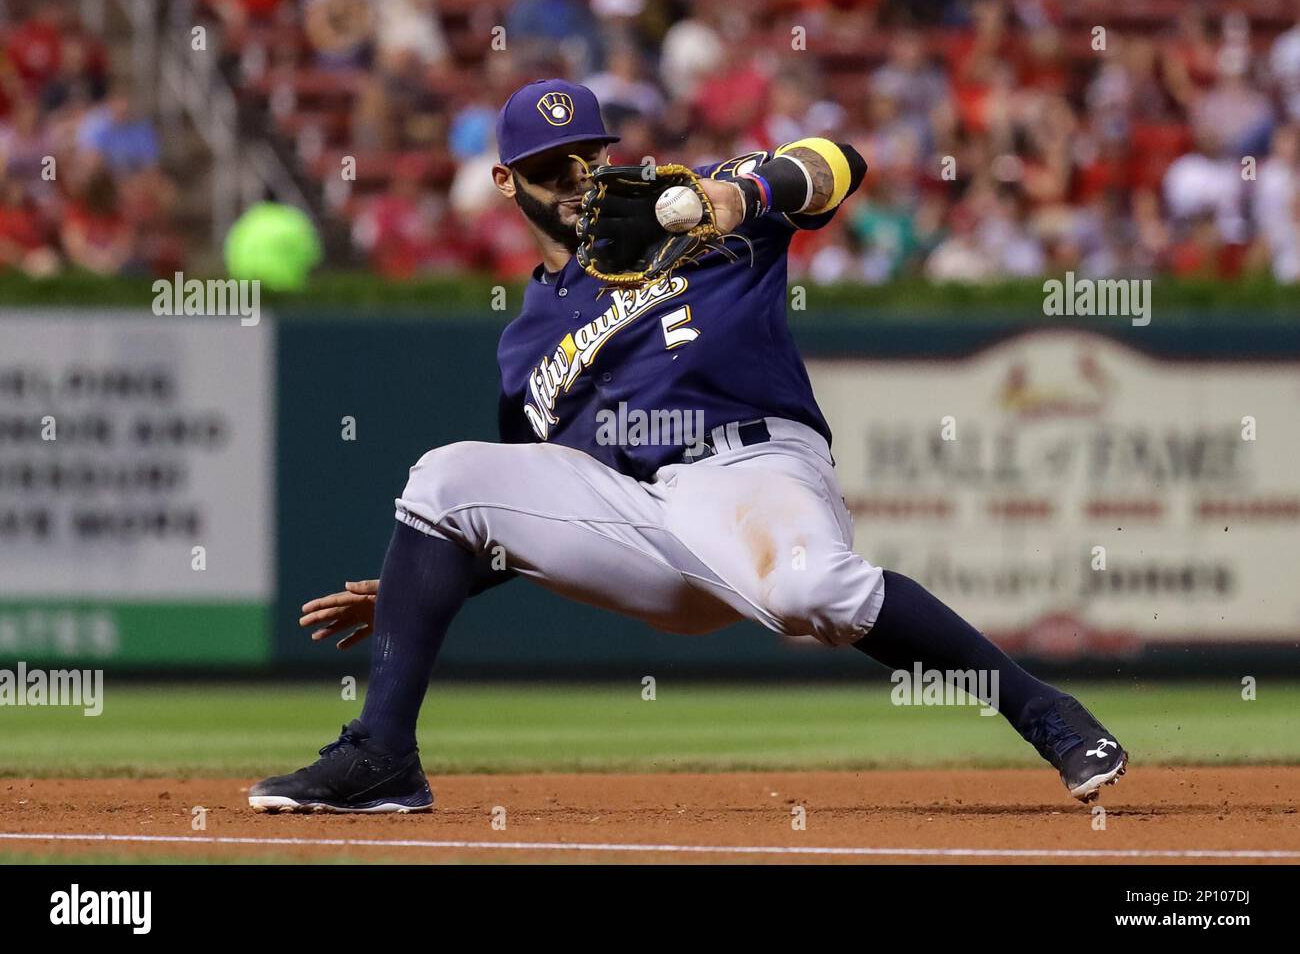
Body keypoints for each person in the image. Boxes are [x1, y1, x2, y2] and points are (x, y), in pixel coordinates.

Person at [250, 80, 1128, 813]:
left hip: (756, 471)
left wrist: (734, 196)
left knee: (815, 588)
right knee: (444, 478)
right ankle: (384, 761)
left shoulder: (694, 210)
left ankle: (1046, 714)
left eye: (588, 155)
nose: (576, 176)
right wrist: (418, 579)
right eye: (548, 167)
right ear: (507, 182)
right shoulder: (525, 341)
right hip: (645, 519)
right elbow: (545, 494)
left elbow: (838, 163)